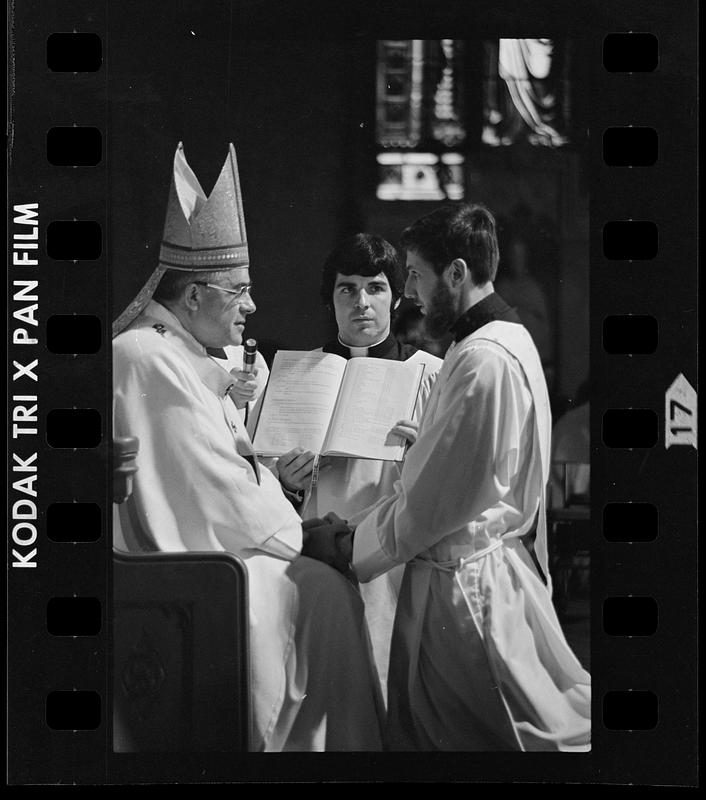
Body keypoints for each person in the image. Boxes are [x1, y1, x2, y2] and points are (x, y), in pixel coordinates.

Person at [112, 142, 383, 751]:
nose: (252, 305)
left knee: (326, 590)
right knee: (326, 595)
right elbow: (210, 481)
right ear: (194, 298)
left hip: (212, 542)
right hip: (184, 563)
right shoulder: (147, 356)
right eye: (239, 291)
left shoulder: (176, 350)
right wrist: (304, 535)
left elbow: (218, 464)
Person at [303, 203, 591, 751]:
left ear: (456, 274)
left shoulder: (482, 361)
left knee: (485, 740)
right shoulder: (503, 340)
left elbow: (430, 506)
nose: (407, 291)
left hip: (465, 584)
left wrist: (343, 545)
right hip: (467, 567)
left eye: (412, 274)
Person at [270, 233, 442, 702]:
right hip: (318, 549)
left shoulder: (429, 373)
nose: (361, 302)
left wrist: (424, 455)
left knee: (395, 679)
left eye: (375, 288)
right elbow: (261, 479)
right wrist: (284, 482)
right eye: (347, 289)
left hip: (394, 554)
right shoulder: (298, 376)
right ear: (330, 299)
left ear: (397, 296)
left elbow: (454, 476)